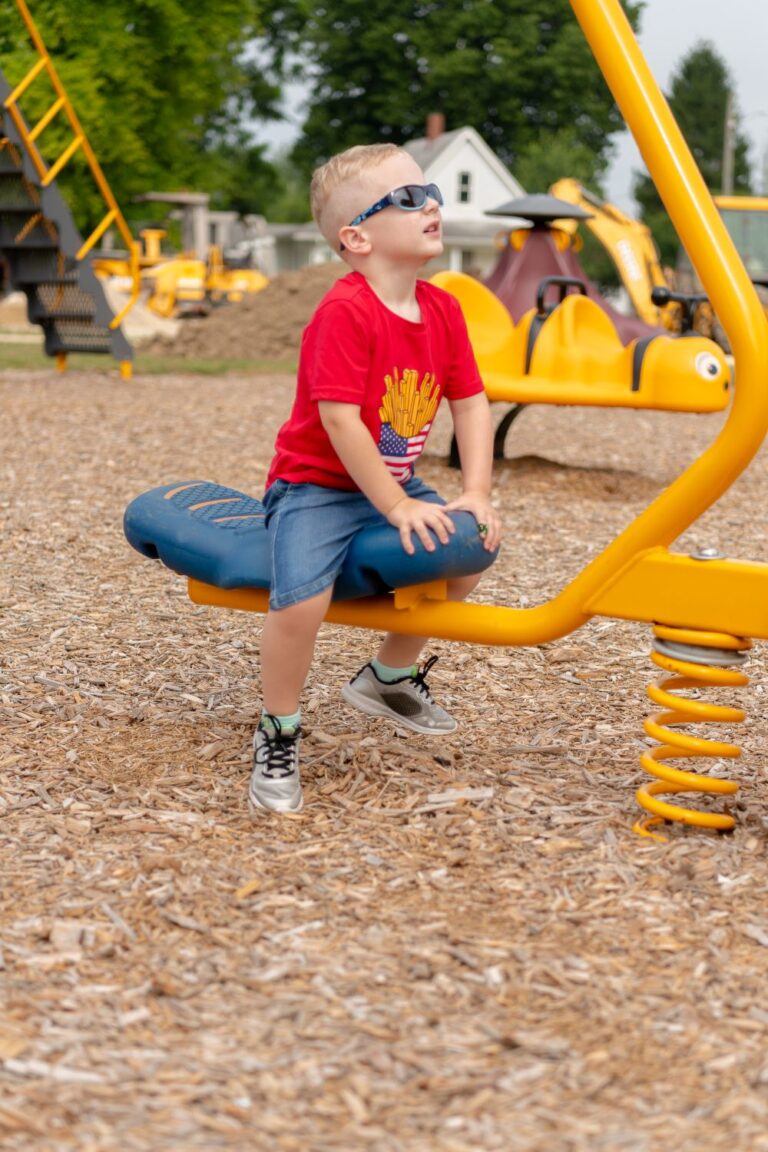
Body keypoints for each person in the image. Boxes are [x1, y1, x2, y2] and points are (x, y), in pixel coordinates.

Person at [250, 142, 502, 814]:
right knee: (301, 600)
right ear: (356, 237)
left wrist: (474, 493)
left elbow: (471, 401)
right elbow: (340, 423)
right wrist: (394, 505)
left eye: (431, 193)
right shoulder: (345, 311)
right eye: (409, 198)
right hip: (317, 487)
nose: (431, 206)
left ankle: (389, 675)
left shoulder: (442, 310)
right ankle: (278, 728)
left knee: (468, 553)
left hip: (390, 483)